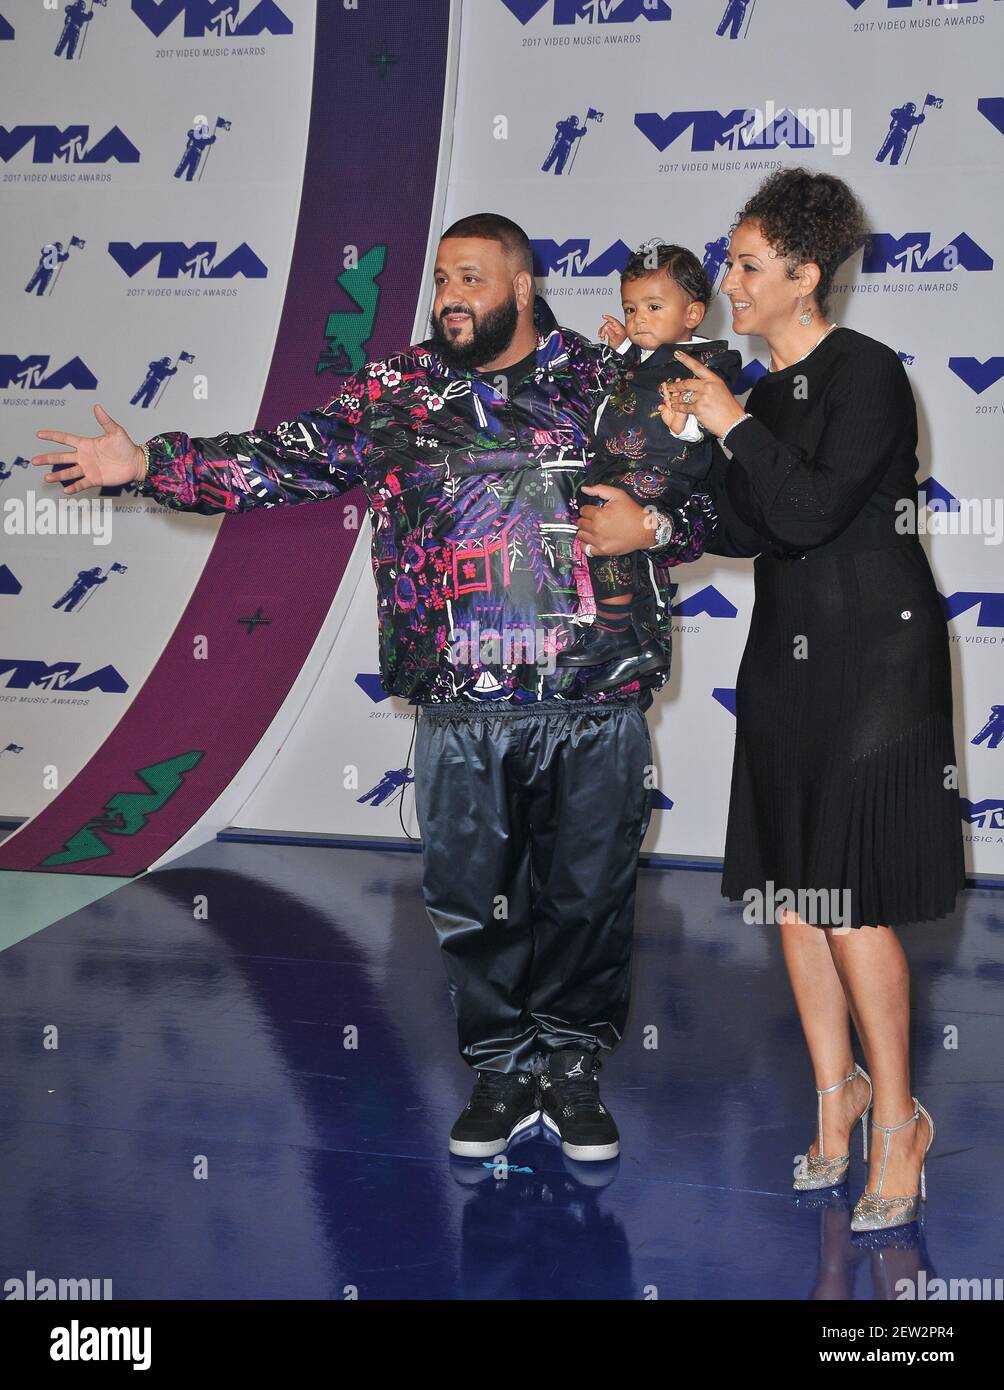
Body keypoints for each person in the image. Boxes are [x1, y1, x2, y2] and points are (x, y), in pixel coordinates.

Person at [33, 213, 715, 1164]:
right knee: (471, 897)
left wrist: (663, 530)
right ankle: (501, 1067)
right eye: (441, 279)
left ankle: (570, 1065)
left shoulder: (611, 381)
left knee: (588, 895)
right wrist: (152, 465)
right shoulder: (397, 390)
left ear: (524, 288)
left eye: (472, 278)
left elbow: (710, 492)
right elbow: (282, 460)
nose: (449, 297)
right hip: (457, 703)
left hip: (591, 690)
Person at [656, 167, 966, 1231]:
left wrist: (730, 421)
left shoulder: (865, 373)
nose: (726, 282)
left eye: (745, 266)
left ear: (803, 274)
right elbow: (746, 527)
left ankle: (898, 1125)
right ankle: (835, 1101)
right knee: (795, 898)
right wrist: (693, 451)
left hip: (875, 660)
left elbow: (812, 508)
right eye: (729, 262)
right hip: (784, 656)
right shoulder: (755, 389)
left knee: (848, 897)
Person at [556, 240, 742, 693]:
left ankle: (618, 633)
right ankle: (635, 641)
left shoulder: (704, 362)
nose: (638, 317)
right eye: (631, 307)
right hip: (620, 467)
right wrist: (621, 349)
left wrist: (685, 425)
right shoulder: (640, 358)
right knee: (607, 543)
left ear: (692, 315)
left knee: (607, 536)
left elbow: (703, 426)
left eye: (654, 306)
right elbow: (635, 379)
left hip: (661, 470)